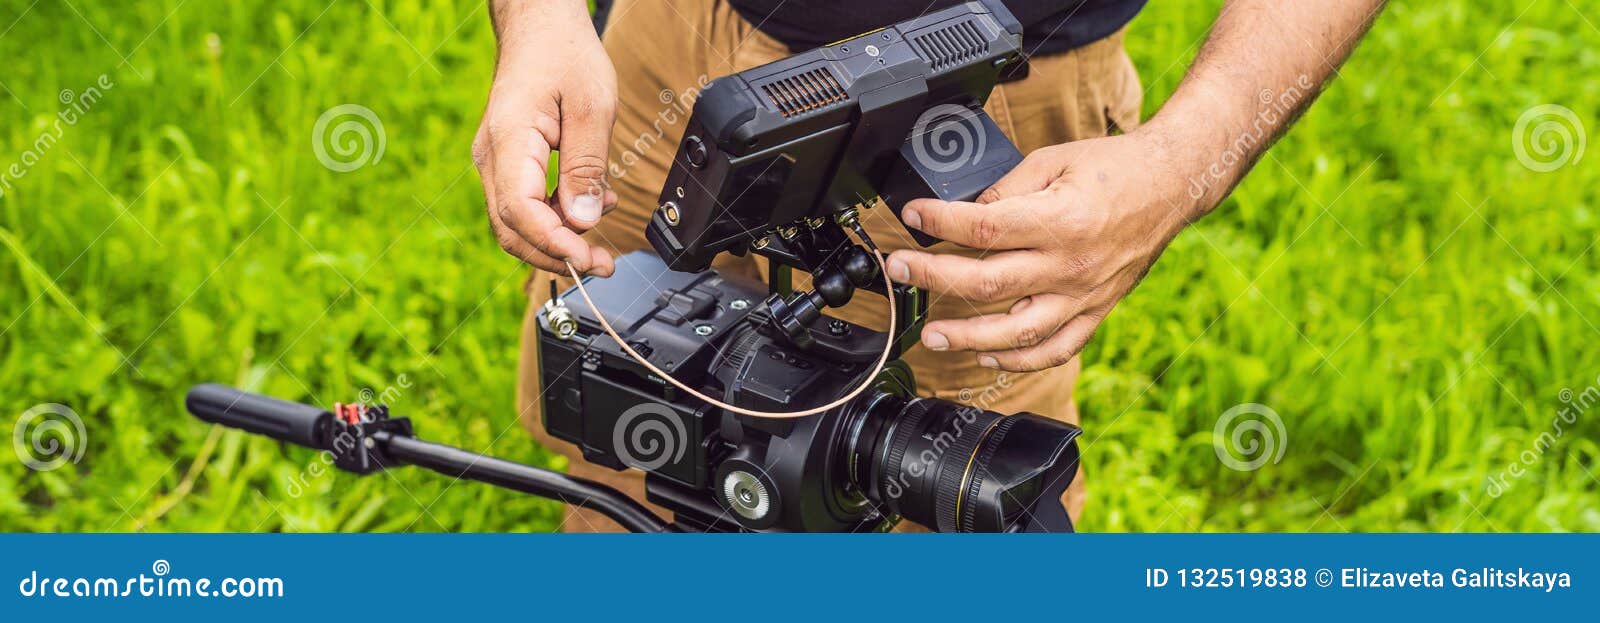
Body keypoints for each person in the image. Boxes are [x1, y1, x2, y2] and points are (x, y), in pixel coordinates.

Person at [473, 0, 1386, 532]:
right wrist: (540, 19)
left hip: (977, 120)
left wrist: (1191, 157)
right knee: (626, 451)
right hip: (662, 48)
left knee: (938, 503)